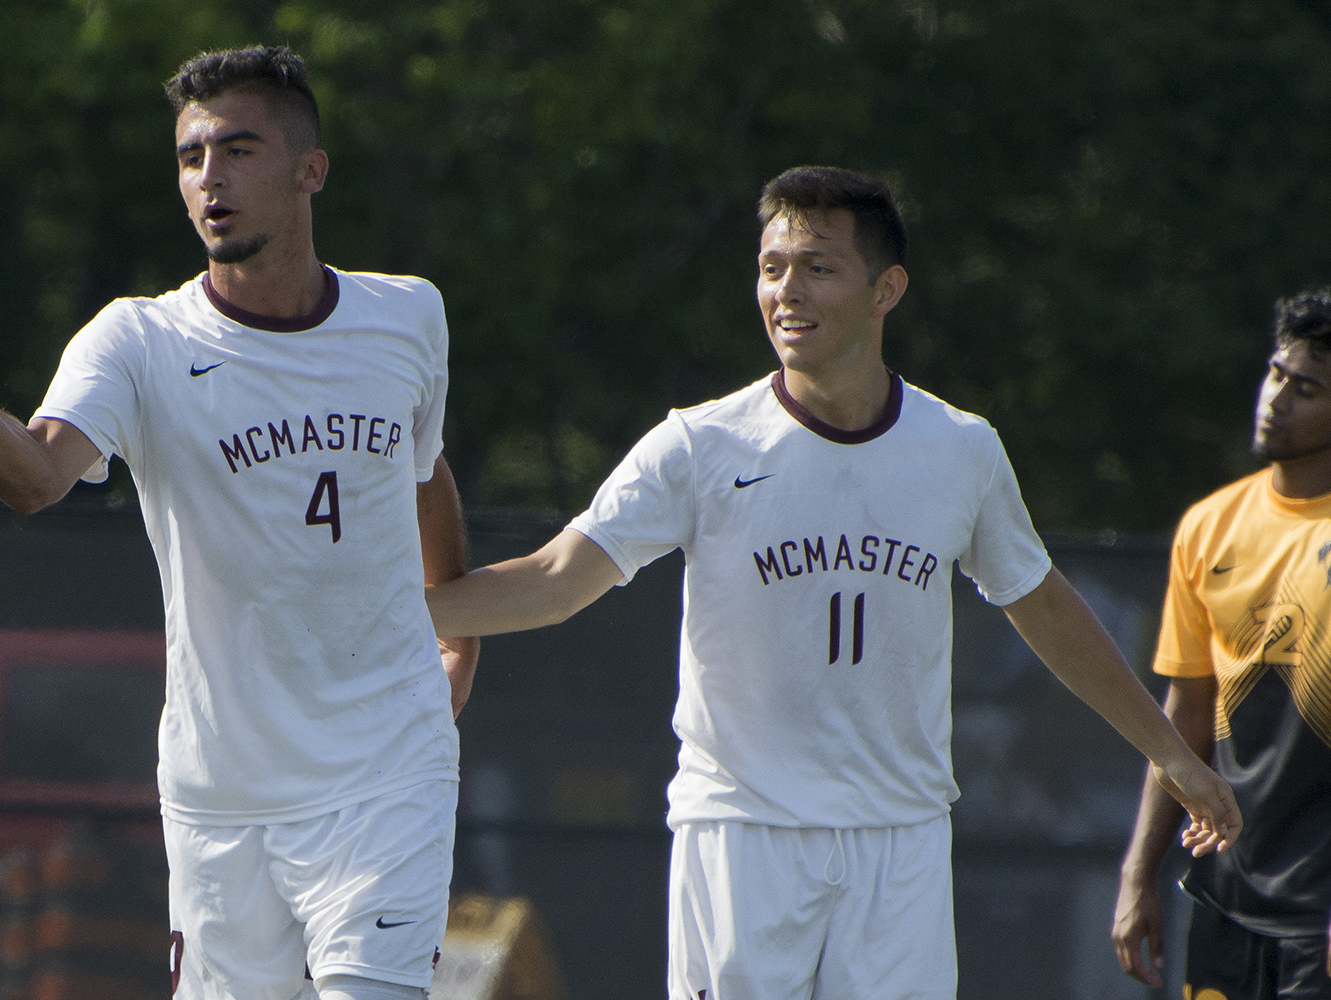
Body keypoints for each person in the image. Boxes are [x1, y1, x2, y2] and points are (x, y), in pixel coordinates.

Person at [424, 165, 1241, 999]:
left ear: (887, 289)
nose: (787, 291)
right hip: (744, 834)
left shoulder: (960, 449)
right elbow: (556, 579)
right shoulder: (699, 446)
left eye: (817, 267)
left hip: (901, 842)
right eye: (771, 267)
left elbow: (1047, 610)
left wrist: (1174, 758)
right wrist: (384, 615)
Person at [0, 46, 474, 1000]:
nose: (210, 178)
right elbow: (36, 477)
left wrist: (458, 638)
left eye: (238, 150)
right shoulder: (138, 340)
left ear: (310, 170)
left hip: (387, 774)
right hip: (219, 796)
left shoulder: (409, 316)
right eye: (191, 157)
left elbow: (422, 468)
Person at [1112, 289, 1331, 999]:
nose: (1276, 399)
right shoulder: (1209, 526)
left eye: (1307, 389)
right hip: (1225, 903)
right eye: (1276, 374)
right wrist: (1139, 874)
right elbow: (1184, 720)